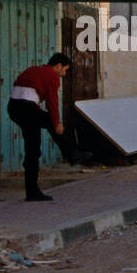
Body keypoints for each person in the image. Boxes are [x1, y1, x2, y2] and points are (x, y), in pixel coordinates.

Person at [7, 53, 83, 201]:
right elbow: (52, 102)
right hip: (26, 108)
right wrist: (57, 124)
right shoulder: (51, 75)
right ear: (58, 66)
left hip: (14, 108)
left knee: (32, 149)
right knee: (38, 143)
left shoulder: (33, 70)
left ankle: (32, 191)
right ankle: (72, 153)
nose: (63, 74)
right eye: (64, 70)